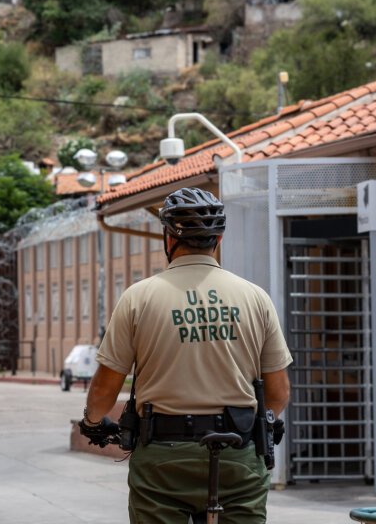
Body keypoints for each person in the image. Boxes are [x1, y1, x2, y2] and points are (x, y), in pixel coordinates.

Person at [79, 187, 292, 524]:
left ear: (169, 238)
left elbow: (106, 389)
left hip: (163, 461)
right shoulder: (255, 298)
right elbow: (279, 393)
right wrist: (264, 422)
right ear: (218, 239)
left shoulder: (138, 298)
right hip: (237, 456)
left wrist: (92, 423)